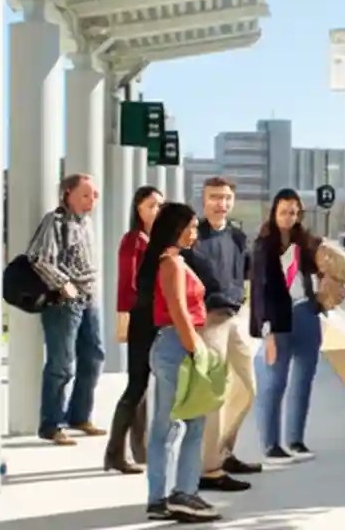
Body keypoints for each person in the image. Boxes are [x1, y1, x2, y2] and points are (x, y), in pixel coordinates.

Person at [141, 202, 221, 522]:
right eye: (190, 227)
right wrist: (197, 351)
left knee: (169, 424)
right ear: (175, 228)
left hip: (173, 345)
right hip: (178, 346)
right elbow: (179, 312)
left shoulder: (173, 260)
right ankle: (182, 494)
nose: (194, 233)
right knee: (186, 423)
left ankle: (161, 498)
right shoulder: (172, 264)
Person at [183, 176, 261, 491]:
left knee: (247, 387)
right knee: (213, 394)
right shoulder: (192, 238)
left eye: (226, 197)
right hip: (207, 321)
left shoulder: (238, 237)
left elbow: (248, 273)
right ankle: (209, 469)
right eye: (215, 197)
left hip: (235, 317)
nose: (221, 203)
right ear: (203, 201)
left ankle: (223, 451)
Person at [28, 173, 105, 446]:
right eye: (85, 195)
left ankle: (79, 416)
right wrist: (65, 285)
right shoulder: (56, 221)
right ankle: (52, 424)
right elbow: (38, 257)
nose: (91, 200)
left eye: (94, 195)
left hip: (89, 299)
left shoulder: (88, 223)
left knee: (94, 357)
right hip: (64, 302)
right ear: (68, 194)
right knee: (61, 364)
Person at [250, 189, 324, 460]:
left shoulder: (306, 243)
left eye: (293, 213)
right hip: (278, 319)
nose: (288, 217)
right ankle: (271, 444)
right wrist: (266, 331)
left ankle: (296, 440)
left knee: (303, 382)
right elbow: (259, 290)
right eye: (283, 212)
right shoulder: (263, 246)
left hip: (305, 314)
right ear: (274, 213)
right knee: (274, 383)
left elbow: (323, 270)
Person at [103, 185, 163, 473]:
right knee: (136, 386)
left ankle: (140, 449)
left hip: (154, 318)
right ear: (138, 209)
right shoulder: (134, 240)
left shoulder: (156, 240)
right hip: (140, 318)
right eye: (151, 205)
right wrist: (124, 318)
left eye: (160, 206)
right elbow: (126, 283)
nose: (156, 211)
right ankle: (115, 453)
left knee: (143, 386)